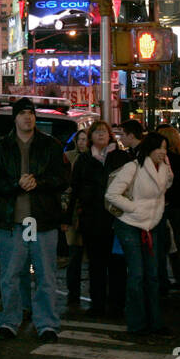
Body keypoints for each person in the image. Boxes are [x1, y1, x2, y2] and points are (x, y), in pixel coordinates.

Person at [0, 97, 69, 341]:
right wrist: (16, 184)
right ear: (15, 118)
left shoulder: (50, 145)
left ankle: (47, 323)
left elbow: (63, 177)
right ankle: (9, 321)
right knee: (10, 275)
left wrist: (38, 182)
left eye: (30, 113)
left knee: (46, 275)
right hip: (12, 221)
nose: (27, 117)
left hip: (42, 220)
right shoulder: (1, 147)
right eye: (22, 113)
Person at [105, 132, 173, 335]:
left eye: (165, 148)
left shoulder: (164, 169)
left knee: (152, 274)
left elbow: (164, 190)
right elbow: (112, 194)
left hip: (151, 224)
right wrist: (133, 208)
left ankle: (155, 321)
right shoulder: (132, 167)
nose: (162, 152)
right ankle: (137, 323)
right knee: (136, 274)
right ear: (149, 148)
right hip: (129, 224)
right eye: (159, 147)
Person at [68, 120, 121, 317]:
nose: (100, 135)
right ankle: (97, 303)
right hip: (92, 218)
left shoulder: (119, 157)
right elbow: (75, 189)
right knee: (95, 264)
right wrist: (68, 217)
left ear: (110, 135)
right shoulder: (84, 160)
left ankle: (116, 304)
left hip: (115, 218)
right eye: (96, 131)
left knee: (116, 264)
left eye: (104, 131)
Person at [157, 125, 180, 293]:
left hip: (169, 206)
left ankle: (176, 278)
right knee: (178, 244)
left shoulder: (165, 160)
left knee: (170, 244)